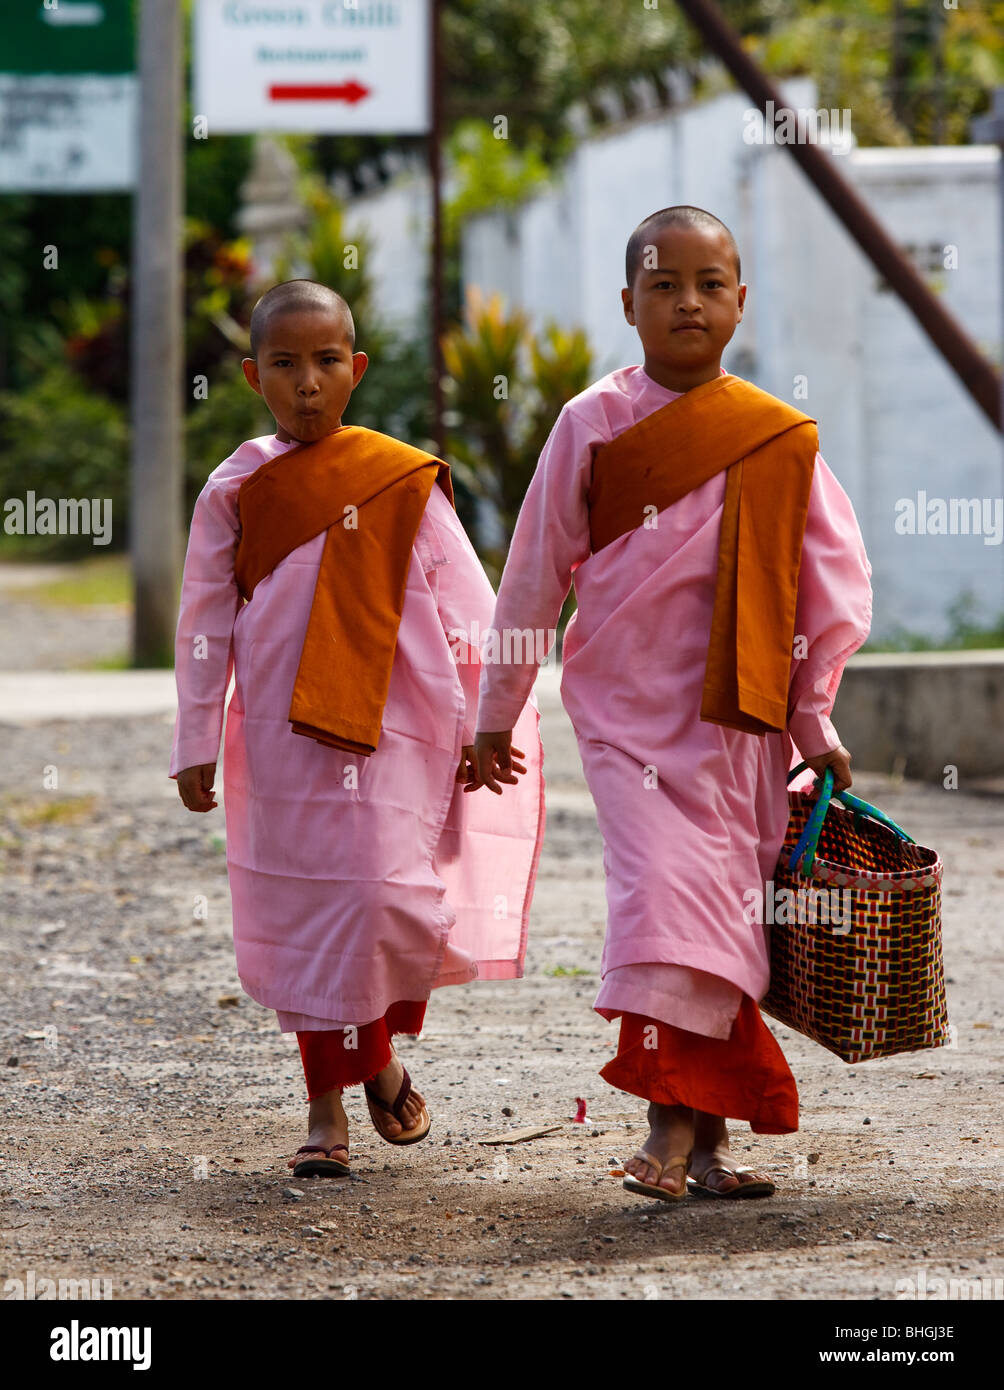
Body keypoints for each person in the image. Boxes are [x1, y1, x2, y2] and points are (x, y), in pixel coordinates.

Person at [469, 206, 872, 1202]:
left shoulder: (777, 438)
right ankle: (662, 1123)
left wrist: (811, 721)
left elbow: (824, 592)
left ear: (740, 303)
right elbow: (531, 576)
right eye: (662, 285)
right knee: (660, 907)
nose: (686, 301)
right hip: (623, 717)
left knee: (721, 924)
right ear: (626, 305)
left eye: (707, 284)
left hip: (737, 726)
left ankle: (706, 1145)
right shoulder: (592, 422)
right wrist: (492, 714)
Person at [170, 280, 544, 1178]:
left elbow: (468, 608)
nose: (308, 383)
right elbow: (203, 620)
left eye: (327, 361)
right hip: (282, 738)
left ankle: (376, 1058)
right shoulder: (237, 485)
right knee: (313, 909)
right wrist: (191, 741)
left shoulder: (400, 477)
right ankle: (326, 1105)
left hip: (398, 733)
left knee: (382, 900)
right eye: (287, 365)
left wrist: (483, 723)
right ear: (253, 373)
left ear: (357, 368)